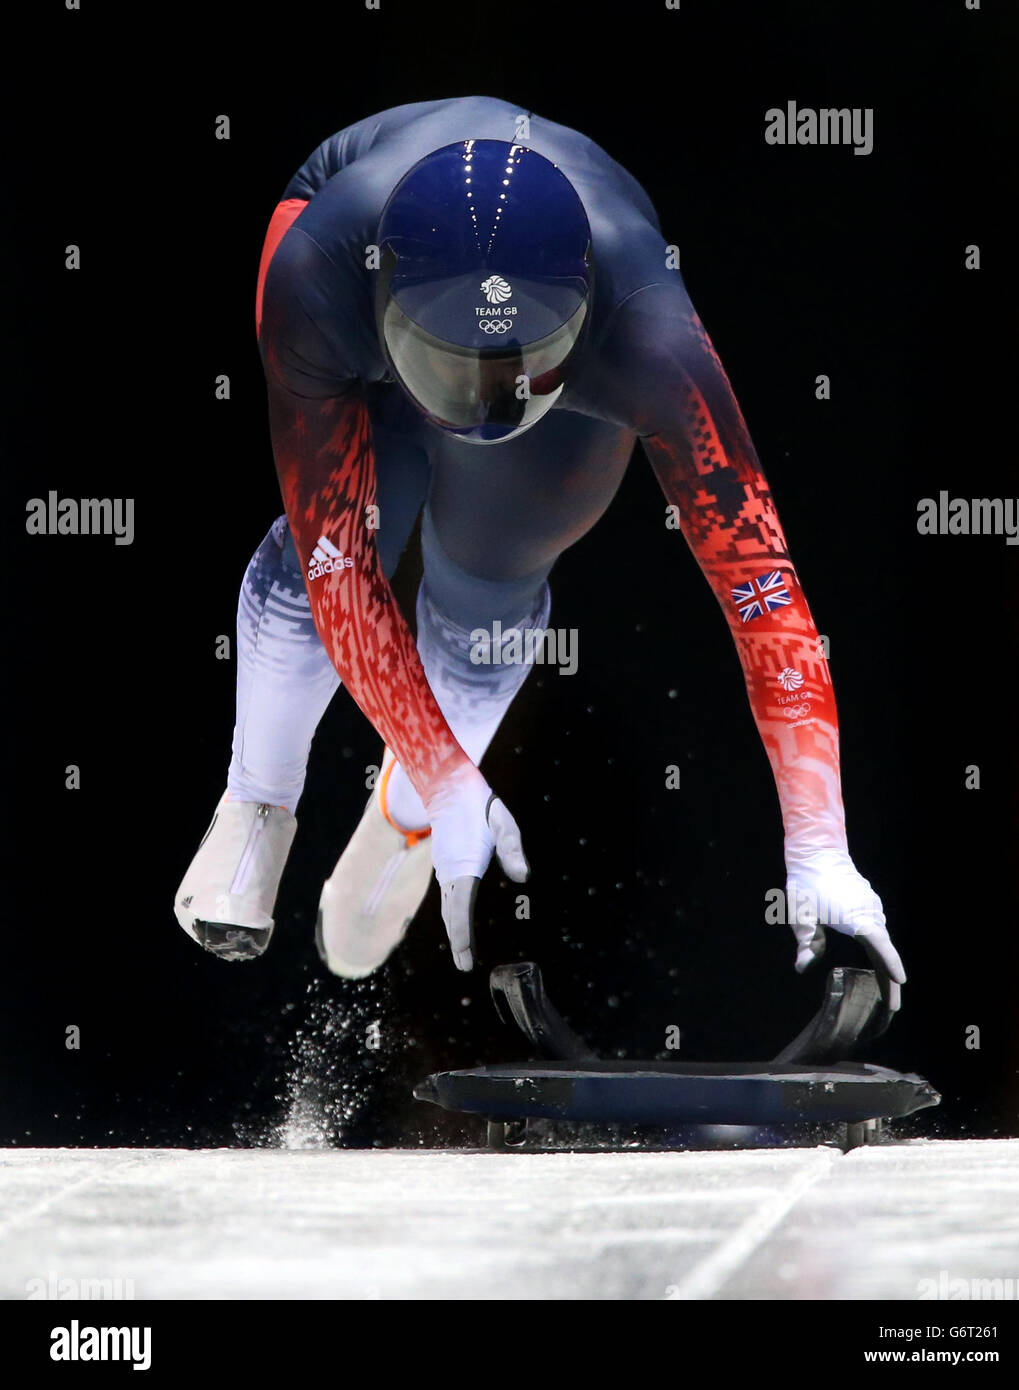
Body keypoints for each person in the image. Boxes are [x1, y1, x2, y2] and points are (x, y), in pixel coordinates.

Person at [173, 95, 904, 1016]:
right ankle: (260, 798)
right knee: (343, 532)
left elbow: (763, 592)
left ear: (584, 315)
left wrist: (818, 843)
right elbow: (339, 570)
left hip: (559, 374)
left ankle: (405, 819)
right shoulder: (314, 273)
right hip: (359, 286)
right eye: (453, 368)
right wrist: (447, 769)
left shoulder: (650, 335)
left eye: (510, 370)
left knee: (494, 580)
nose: (480, 407)